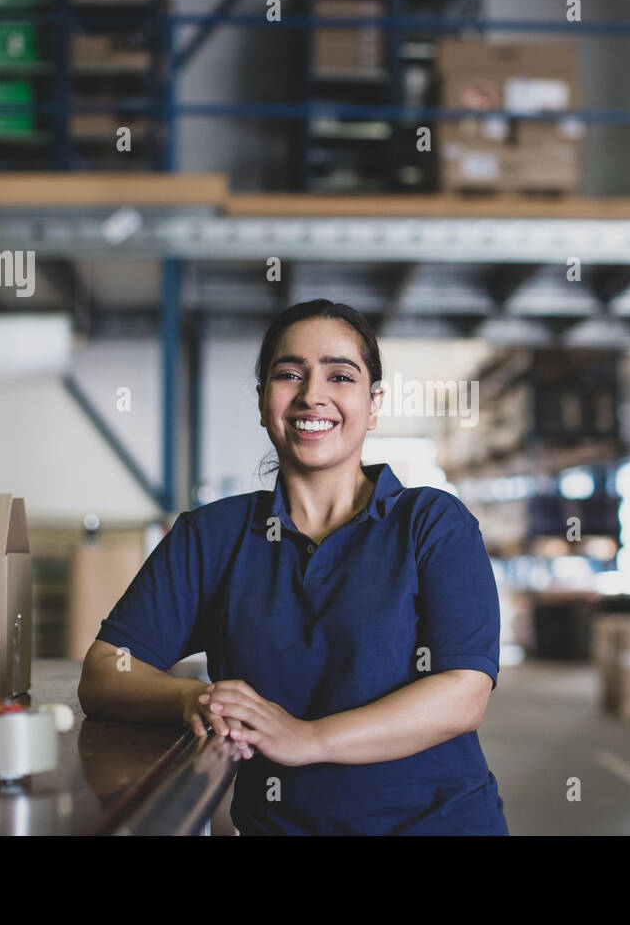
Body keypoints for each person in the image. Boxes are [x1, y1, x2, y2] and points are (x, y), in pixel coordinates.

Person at [78, 299, 509, 835]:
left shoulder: (432, 523)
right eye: (289, 374)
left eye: (340, 375)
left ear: (373, 405)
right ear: (264, 402)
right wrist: (195, 698)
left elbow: (464, 692)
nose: (312, 395)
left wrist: (308, 738)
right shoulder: (211, 536)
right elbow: (104, 670)